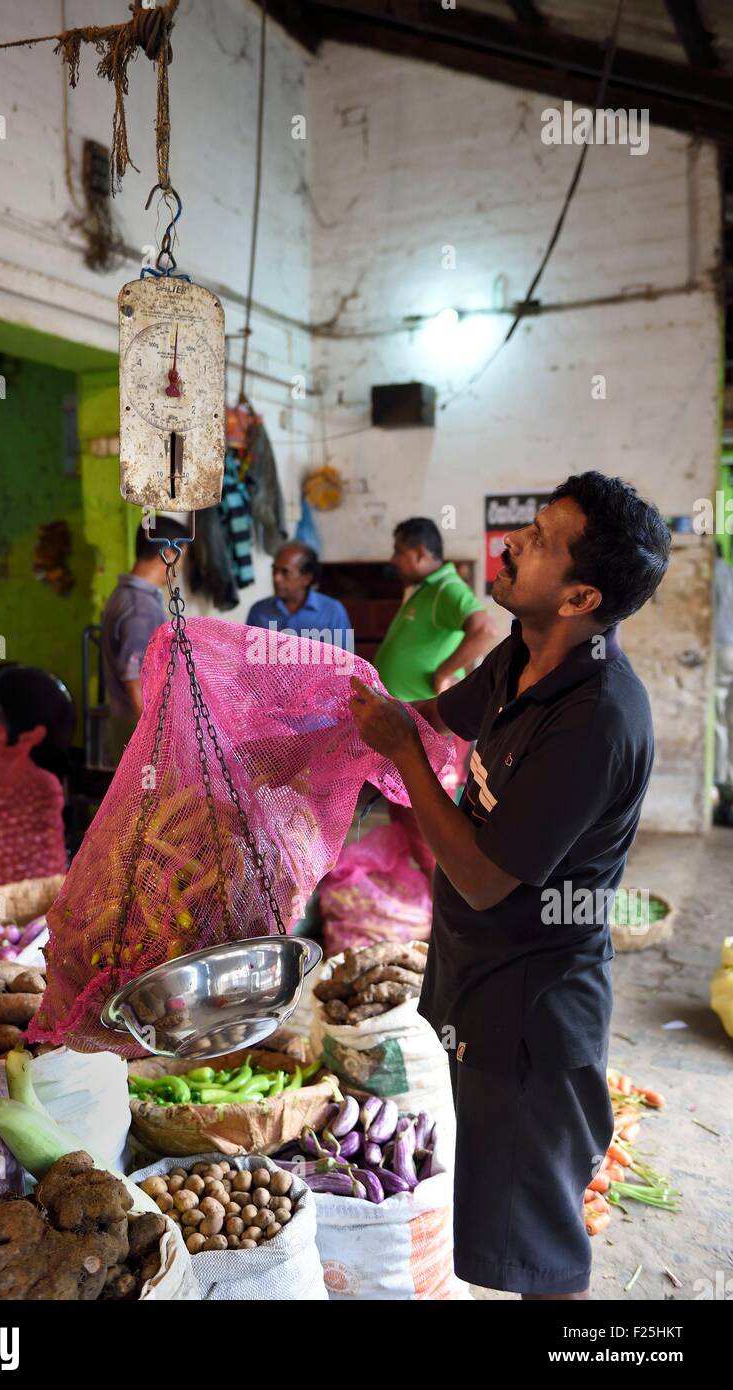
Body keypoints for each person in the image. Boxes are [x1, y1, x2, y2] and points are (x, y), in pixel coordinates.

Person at [348, 472, 670, 1301]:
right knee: (500, 1208)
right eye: (525, 526)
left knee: (538, 1250)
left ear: (580, 595)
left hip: (533, 1007)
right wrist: (320, 712)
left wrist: (403, 757)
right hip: (477, 975)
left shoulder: (597, 716)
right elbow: (438, 716)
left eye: (538, 541)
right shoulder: (524, 653)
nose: (512, 543)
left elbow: (487, 878)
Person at [374, 517, 497, 868]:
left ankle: (443, 899)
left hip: (431, 726)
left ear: (418, 553)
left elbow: (484, 630)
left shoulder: (447, 588)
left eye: (399, 551)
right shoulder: (425, 588)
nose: (394, 560)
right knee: (404, 807)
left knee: (428, 816)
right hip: (409, 722)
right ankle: (428, 897)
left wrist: (444, 672)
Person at [100, 515, 188, 765]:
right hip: (138, 726)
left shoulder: (123, 595)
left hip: (128, 721)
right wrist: (152, 737)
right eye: (182, 557)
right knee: (148, 802)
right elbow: (134, 679)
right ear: (168, 554)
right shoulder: (140, 607)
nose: (180, 567)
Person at [246, 542, 352, 649]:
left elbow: (346, 661)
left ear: (306, 578)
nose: (276, 579)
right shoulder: (259, 612)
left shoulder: (332, 611)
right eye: (274, 570)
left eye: (285, 572)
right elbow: (247, 660)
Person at [714, 544, 733, 816]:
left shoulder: (712, 573)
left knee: (718, 719)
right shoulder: (729, 572)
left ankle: (719, 782)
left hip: (719, 648)